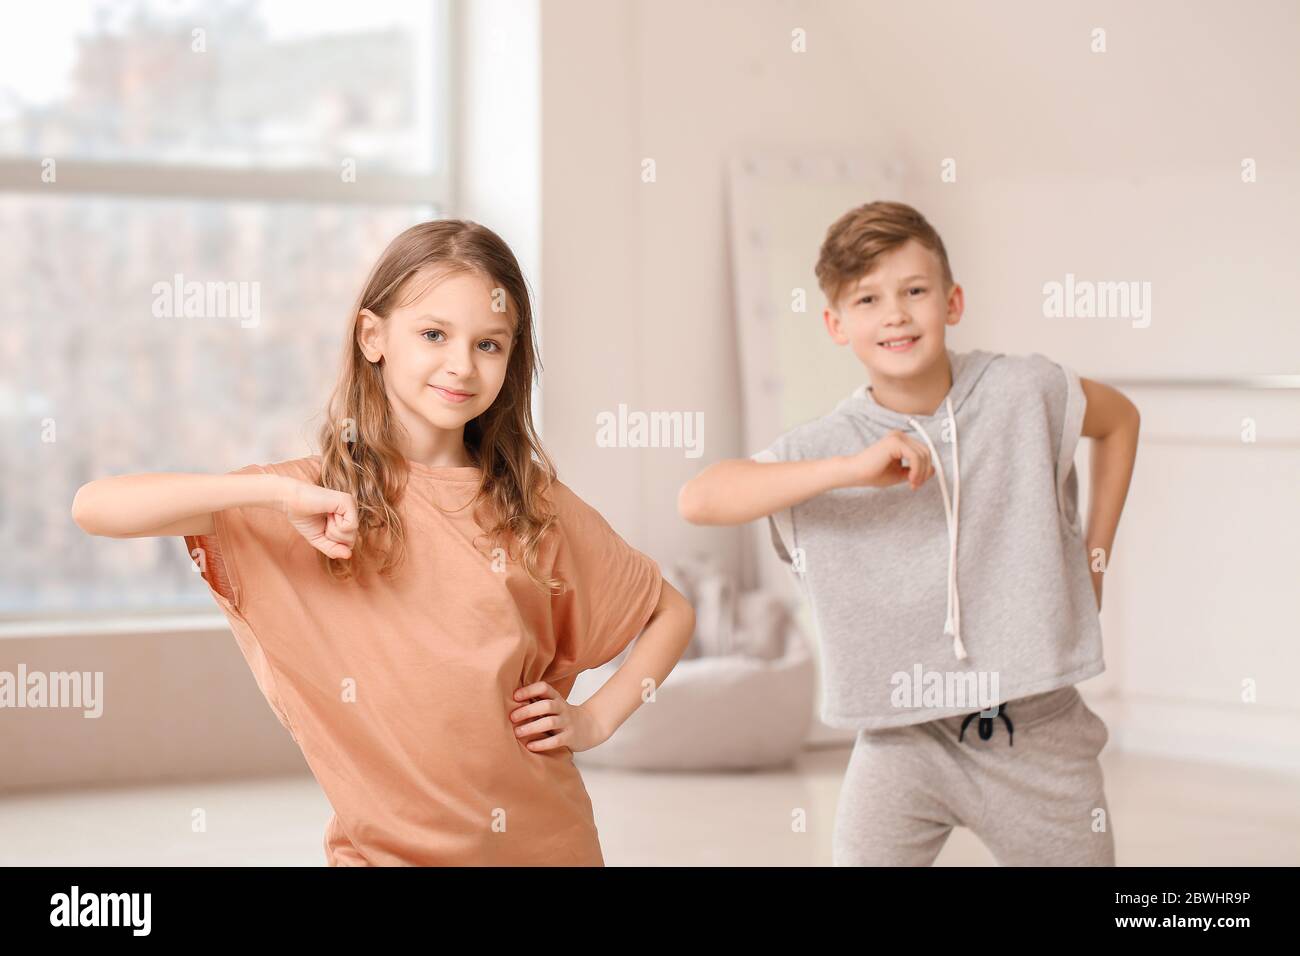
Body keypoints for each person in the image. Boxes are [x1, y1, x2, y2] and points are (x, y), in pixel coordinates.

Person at [72, 219, 695, 866]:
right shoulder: (305, 501)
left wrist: (594, 720)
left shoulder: (533, 505)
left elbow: (670, 612)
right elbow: (97, 508)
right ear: (373, 336)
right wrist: (273, 497)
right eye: (433, 335)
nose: (461, 364)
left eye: (489, 344)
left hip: (547, 847)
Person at [678, 201, 1140, 865]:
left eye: (914, 291)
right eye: (867, 299)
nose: (894, 314)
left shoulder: (1022, 391)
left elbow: (1121, 419)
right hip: (902, 741)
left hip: (1038, 732)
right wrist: (850, 471)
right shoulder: (827, 445)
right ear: (837, 325)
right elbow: (700, 498)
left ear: (952, 303)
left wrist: (1092, 562)